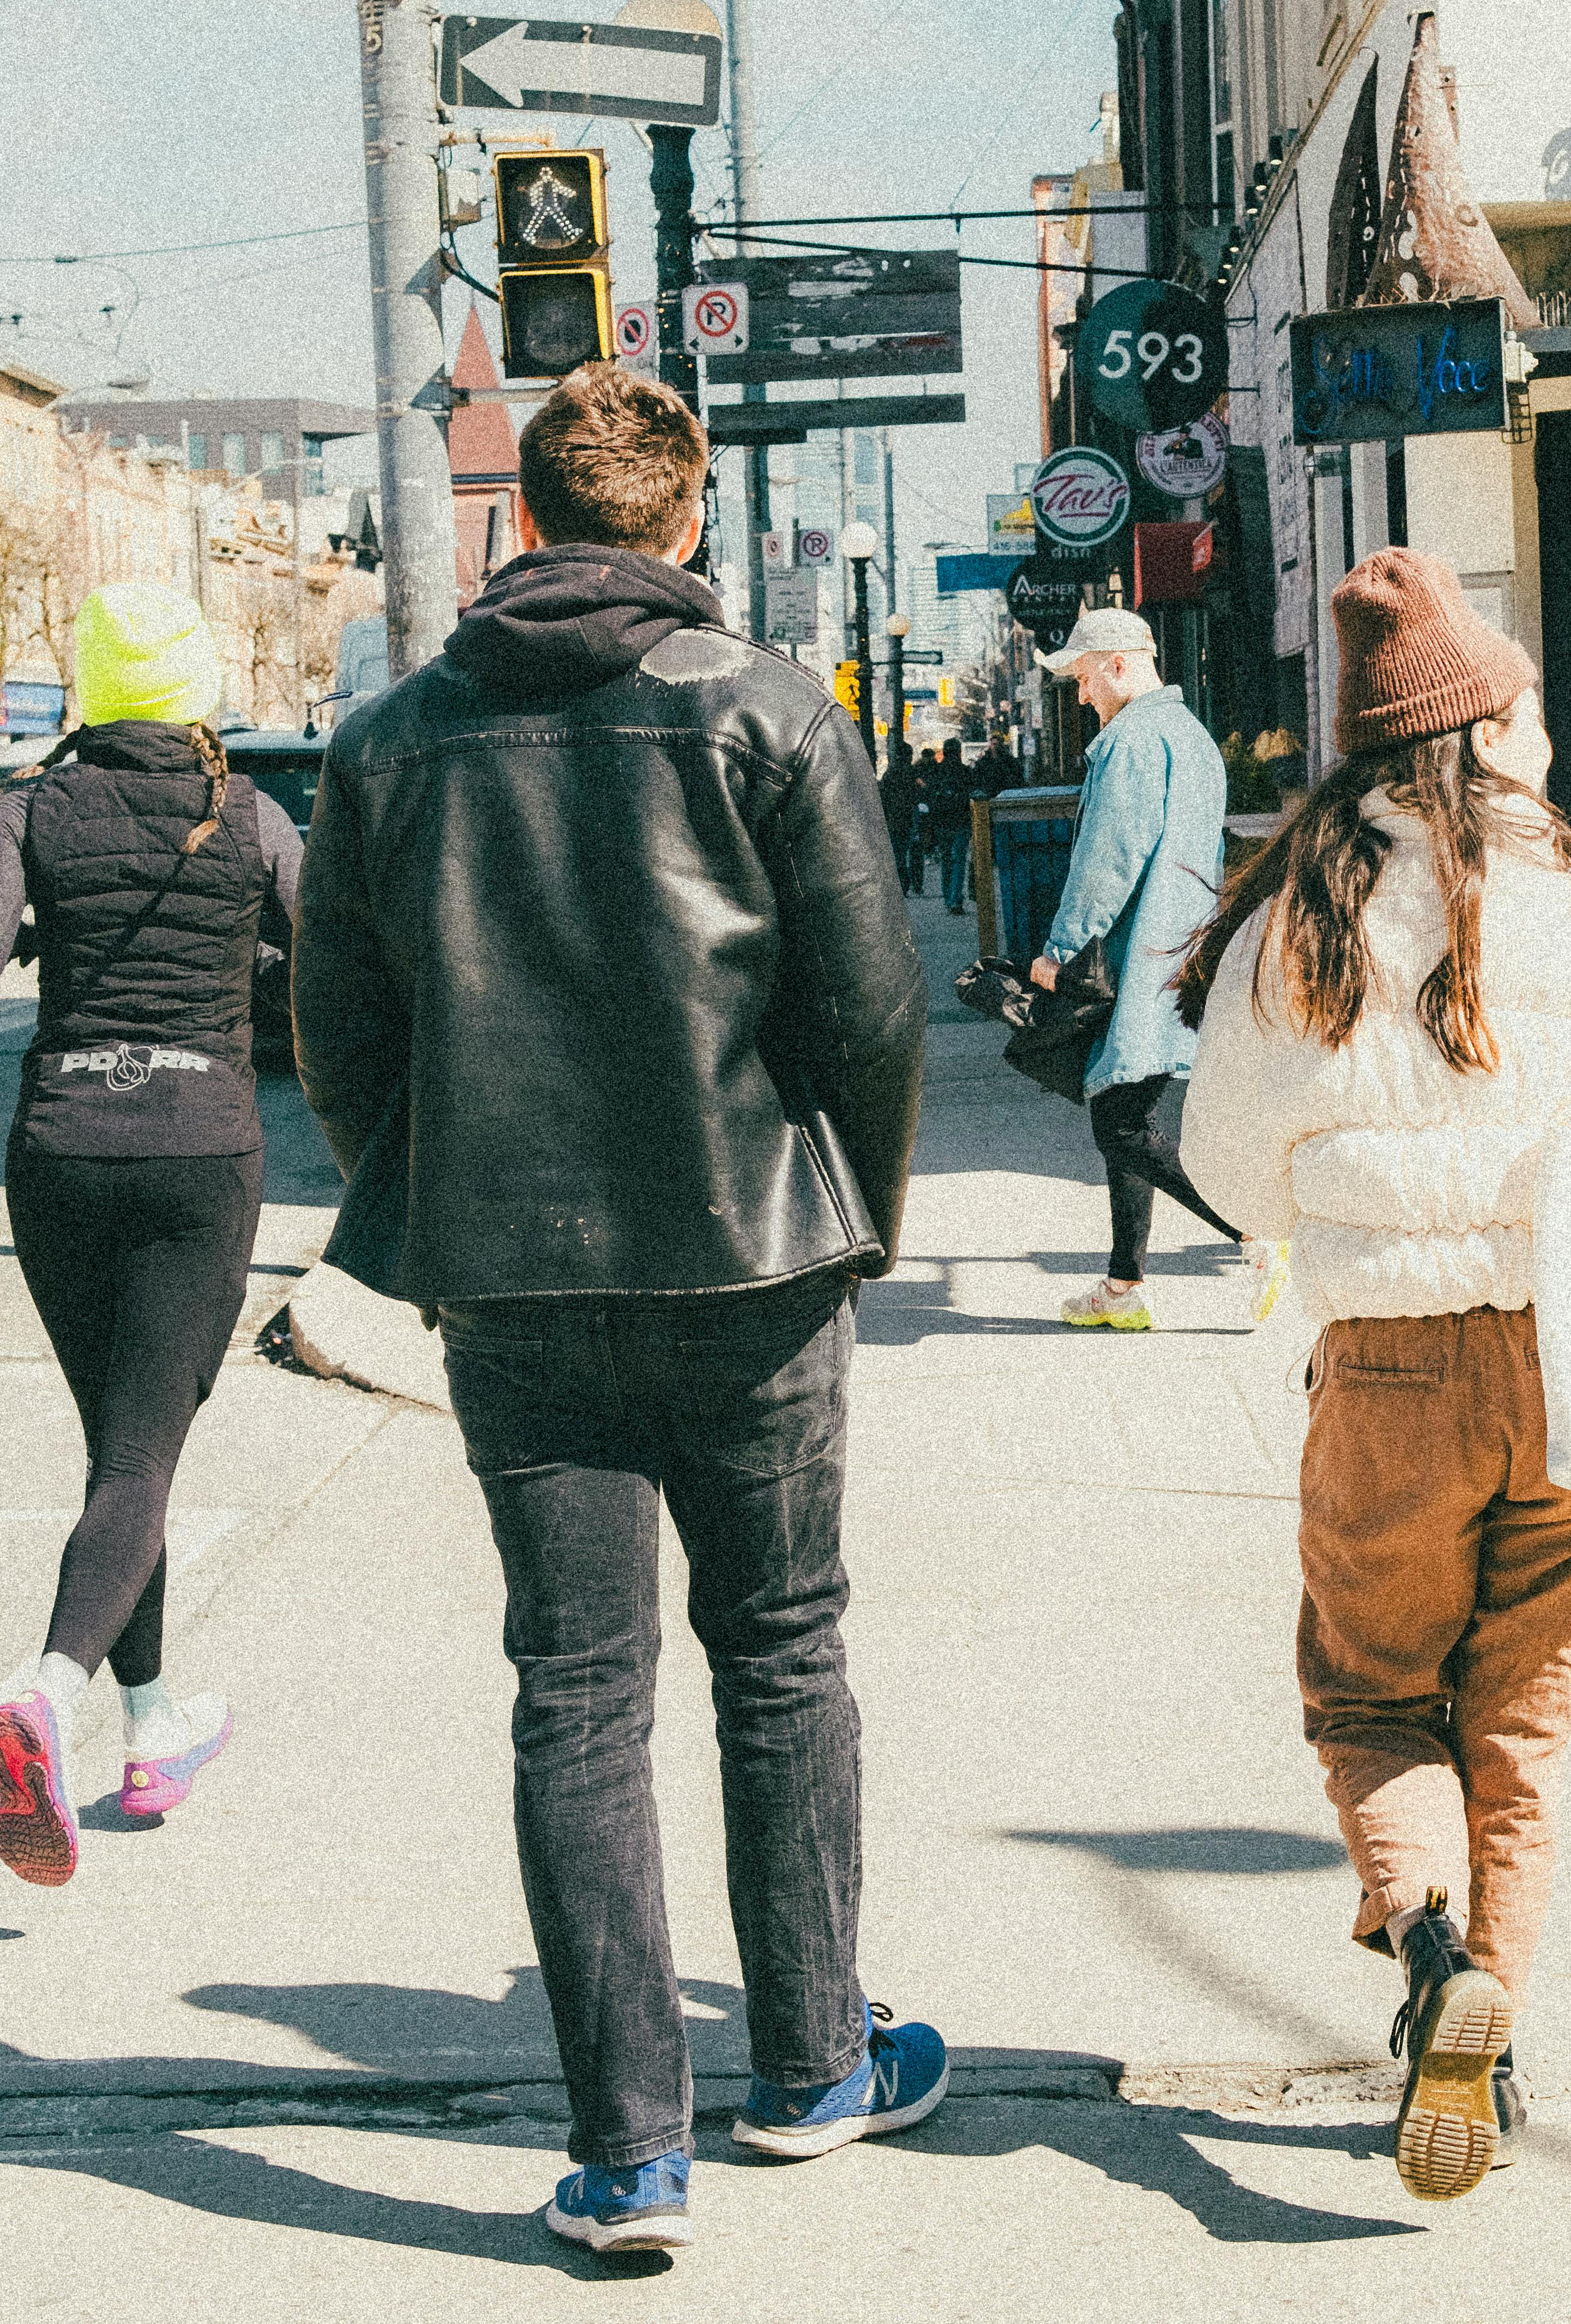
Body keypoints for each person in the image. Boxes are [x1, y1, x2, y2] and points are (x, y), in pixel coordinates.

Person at [292, 363, 945, 2259]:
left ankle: (625, 2152)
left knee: (575, 1691)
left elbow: (343, 1025)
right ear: (685, 521)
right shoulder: (759, 708)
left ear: (524, 518)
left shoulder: (397, 736)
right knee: (782, 1650)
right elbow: (873, 1001)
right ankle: (813, 2064)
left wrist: (428, 1186)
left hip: (512, 1278)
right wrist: (856, 1210)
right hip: (755, 1261)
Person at [1178, 549, 1571, 2202]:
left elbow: (1228, 1163)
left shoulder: (1301, 918)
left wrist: (1339, 1202)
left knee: (1366, 1690)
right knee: (1524, 1717)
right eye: (1527, 706)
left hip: (1392, 1373)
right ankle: (1490, 2000)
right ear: (1485, 735)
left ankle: (1429, 1955)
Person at [0, 587, 301, 1887]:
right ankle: (46, 1691)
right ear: (194, 692)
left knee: (126, 1453)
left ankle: (154, 1722)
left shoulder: (27, 809)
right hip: (197, 1155)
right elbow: (345, 956)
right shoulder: (248, 814)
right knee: (140, 1454)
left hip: (61, 1151)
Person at [1027, 607, 1257, 1330]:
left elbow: (1107, 862)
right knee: (1125, 1111)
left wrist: (1060, 952)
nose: (1081, 693)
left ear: (1121, 664)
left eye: (1085, 676)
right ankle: (1123, 1287)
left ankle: (1255, 1232)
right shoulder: (1192, 739)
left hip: (1129, 958)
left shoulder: (1128, 741)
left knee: (1123, 1124)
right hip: (1175, 951)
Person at [929, 737, 970, 915]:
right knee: (959, 860)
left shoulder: (937, 772)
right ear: (959, 752)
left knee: (946, 861)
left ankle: (949, 898)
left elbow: (930, 797)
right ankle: (955, 898)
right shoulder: (965, 772)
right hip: (961, 821)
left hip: (942, 822)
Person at [880, 741, 925, 896]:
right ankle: (917, 884)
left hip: (895, 821)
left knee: (898, 855)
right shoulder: (913, 773)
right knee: (915, 852)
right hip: (911, 818)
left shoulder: (890, 774)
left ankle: (902, 886)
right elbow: (920, 794)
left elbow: (883, 797)